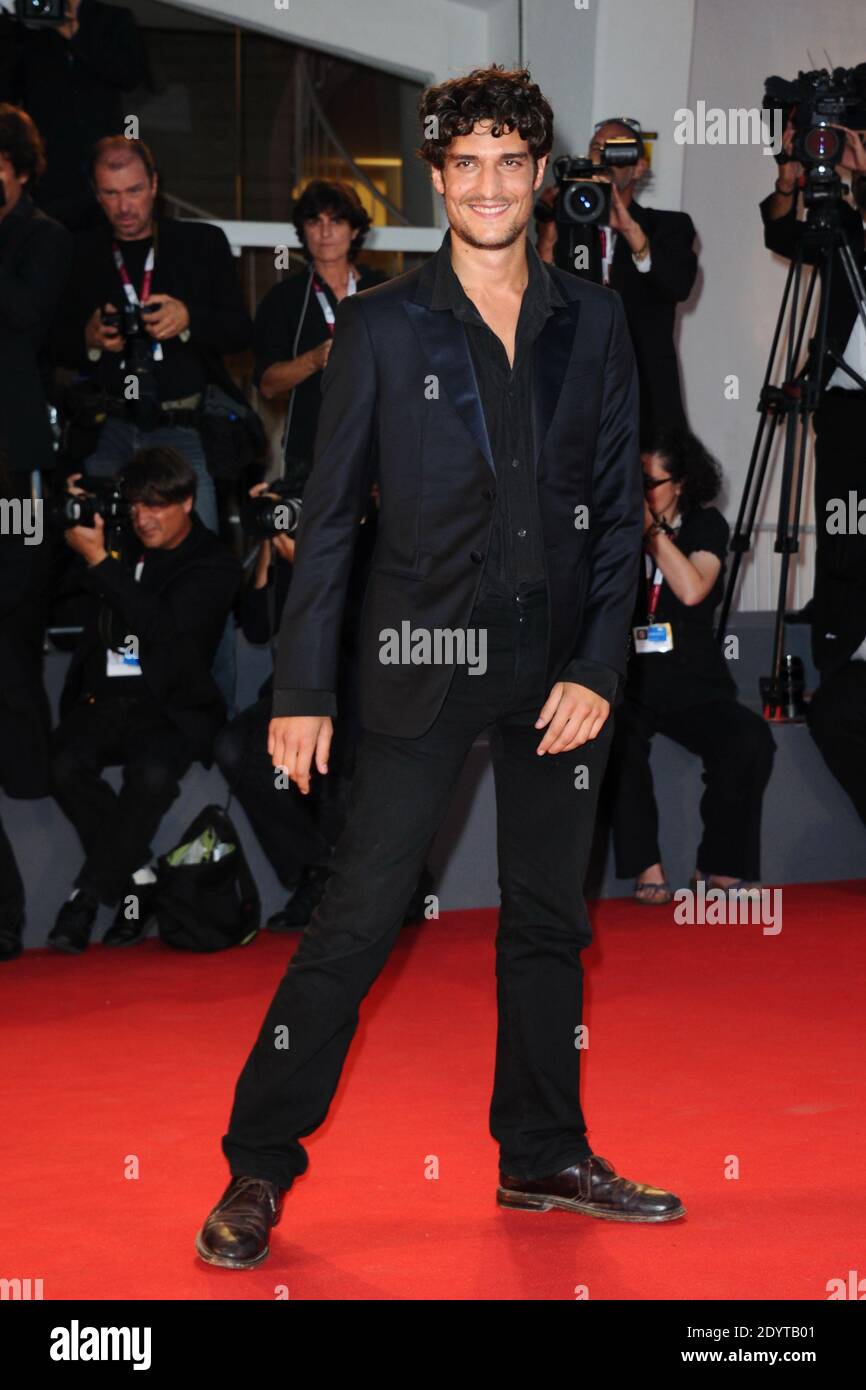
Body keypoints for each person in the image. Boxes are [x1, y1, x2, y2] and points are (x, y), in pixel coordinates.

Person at [196, 64, 686, 1272]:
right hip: (423, 655)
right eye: (462, 163)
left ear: (536, 174)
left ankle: (540, 1151)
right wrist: (304, 689)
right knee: (355, 921)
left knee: (545, 919)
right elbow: (329, 518)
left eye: (508, 163)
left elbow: (620, 515)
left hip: (557, 664)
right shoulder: (379, 327)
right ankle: (257, 1165)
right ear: (436, 177)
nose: (486, 184)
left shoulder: (596, 319)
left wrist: (597, 666)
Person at [48, 447, 241, 954]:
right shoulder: (118, 540)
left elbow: (166, 633)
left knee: (151, 776)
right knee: (63, 764)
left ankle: (85, 900)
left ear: (188, 501)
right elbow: (57, 590)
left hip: (171, 706)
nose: (143, 518)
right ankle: (138, 880)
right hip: (105, 699)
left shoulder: (213, 561)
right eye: (134, 505)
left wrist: (98, 562)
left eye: (156, 506)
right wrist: (66, 520)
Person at [605, 428, 776, 904]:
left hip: (692, 681)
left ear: (679, 484)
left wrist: (652, 533)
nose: (640, 495)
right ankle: (645, 864)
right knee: (616, 738)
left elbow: (693, 590)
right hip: (628, 680)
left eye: (650, 484)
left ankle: (718, 867)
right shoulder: (609, 527)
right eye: (632, 483)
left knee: (748, 739)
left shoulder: (706, 526)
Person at [52, 135, 253, 537]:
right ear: (96, 193)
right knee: (99, 552)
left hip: (183, 425)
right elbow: (48, 342)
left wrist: (189, 319)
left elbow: (241, 331)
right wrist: (89, 340)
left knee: (198, 553)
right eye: (110, 193)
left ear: (155, 185)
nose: (124, 207)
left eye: (134, 190)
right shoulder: (78, 253)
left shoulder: (200, 244)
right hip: (106, 427)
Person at [761, 123, 866, 822]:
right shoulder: (840, 221)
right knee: (842, 517)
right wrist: (791, 178)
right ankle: (839, 629)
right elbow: (785, 240)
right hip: (848, 397)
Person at [535, 117, 697, 442]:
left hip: (646, 392)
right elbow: (534, 303)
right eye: (597, 149)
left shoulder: (668, 226)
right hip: (574, 390)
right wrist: (549, 234)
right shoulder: (564, 226)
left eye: (616, 151)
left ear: (638, 167)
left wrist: (630, 230)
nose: (604, 157)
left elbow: (678, 285)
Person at [253, 179, 387, 495]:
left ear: (354, 231)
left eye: (337, 221)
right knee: (310, 543)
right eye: (315, 222)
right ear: (304, 231)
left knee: (377, 543)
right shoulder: (284, 299)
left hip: (380, 451)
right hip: (308, 455)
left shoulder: (384, 292)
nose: (325, 233)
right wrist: (315, 359)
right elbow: (268, 385)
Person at [0, 0, 148, 231]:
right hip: (48, 167)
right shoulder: (31, 22)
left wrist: (75, 34)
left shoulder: (113, 19)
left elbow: (130, 74)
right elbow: (8, 90)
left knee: (99, 243)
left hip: (101, 162)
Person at [0, 103, 71, 484]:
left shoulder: (44, 236)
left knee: (16, 536)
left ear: (22, 171)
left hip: (14, 434)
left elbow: (26, 316)